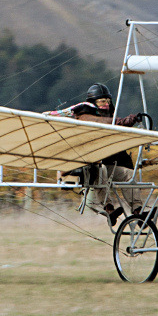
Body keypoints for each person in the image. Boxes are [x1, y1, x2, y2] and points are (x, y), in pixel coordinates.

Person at [48, 83, 144, 226]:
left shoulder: (110, 117)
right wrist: (125, 121)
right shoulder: (85, 115)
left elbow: (111, 124)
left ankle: (138, 212)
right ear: (94, 103)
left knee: (127, 174)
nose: (106, 104)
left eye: (108, 101)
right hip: (89, 168)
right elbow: (105, 122)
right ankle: (109, 209)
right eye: (102, 101)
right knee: (102, 170)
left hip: (107, 164)